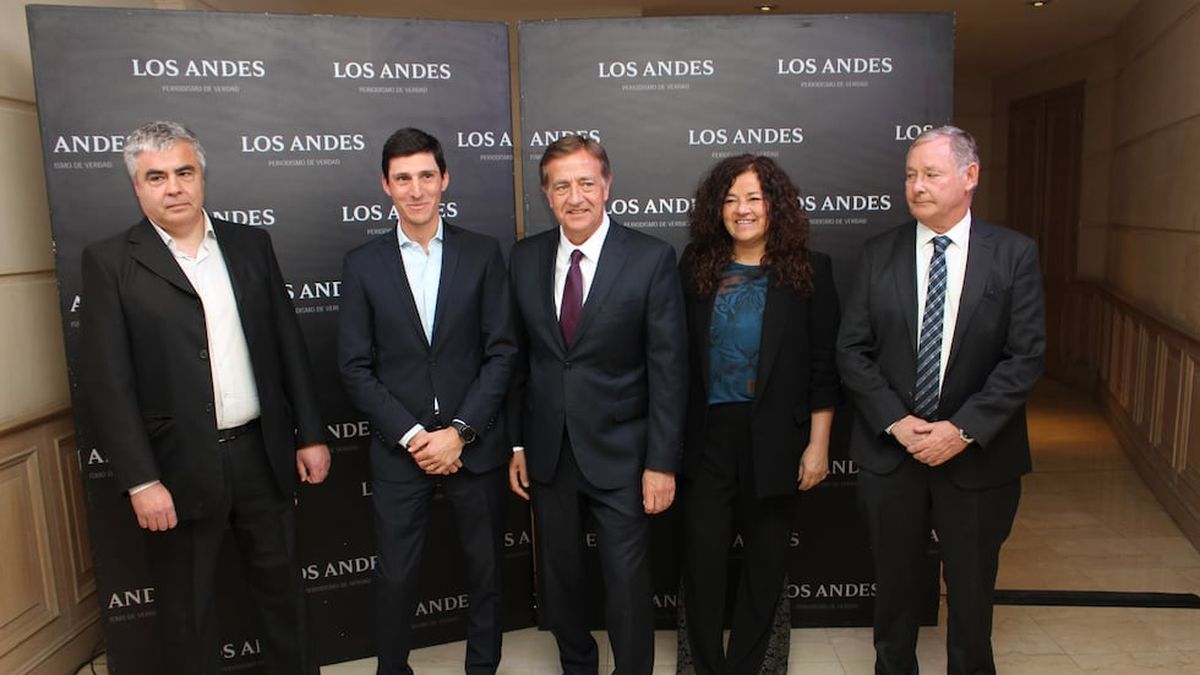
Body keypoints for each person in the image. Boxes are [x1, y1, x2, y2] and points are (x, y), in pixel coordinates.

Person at [79, 120, 331, 675]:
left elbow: (288, 344)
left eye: (184, 172)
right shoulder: (109, 262)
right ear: (137, 187)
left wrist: (310, 434)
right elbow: (107, 383)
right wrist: (142, 480)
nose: (174, 187)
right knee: (188, 613)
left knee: (284, 597)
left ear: (201, 178)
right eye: (157, 176)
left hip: (260, 457)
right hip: (176, 467)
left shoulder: (250, 244)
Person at [837, 125, 1045, 675]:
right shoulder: (878, 253)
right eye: (910, 175)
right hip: (893, 455)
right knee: (895, 587)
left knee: (973, 592)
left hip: (978, 457)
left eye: (931, 173)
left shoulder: (1014, 254)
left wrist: (962, 430)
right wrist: (896, 423)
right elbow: (851, 351)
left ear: (969, 176)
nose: (917, 186)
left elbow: (1024, 357)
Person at [506, 134, 687, 675]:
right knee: (559, 579)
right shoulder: (525, 256)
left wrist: (661, 462)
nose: (575, 196)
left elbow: (669, 370)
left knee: (627, 582)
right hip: (549, 452)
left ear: (607, 185)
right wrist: (517, 442)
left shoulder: (651, 258)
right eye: (562, 185)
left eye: (586, 182)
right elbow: (518, 360)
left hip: (624, 452)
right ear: (546, 193)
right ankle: (577, 665)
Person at [338, 127, 515, 675]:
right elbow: (354, 366)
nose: (416, 190)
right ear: (385, 186)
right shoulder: (362, 263)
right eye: (402, 178)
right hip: (402, 451)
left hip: (473, 444)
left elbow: (502, 352)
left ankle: (481, 669)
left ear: (445, 180)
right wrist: (417, 437)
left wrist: (459, 431)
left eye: (426, 176)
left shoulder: (482, 252)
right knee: (395, 575)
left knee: (486, 572)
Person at [677, 154, 840, 675]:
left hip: (777, 439)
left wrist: (818, 446)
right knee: (702, 563)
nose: (741, 210)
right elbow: (675, 360)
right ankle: (703, 666)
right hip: (707, 441)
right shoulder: (695, 266)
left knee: (766, 565)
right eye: (729, 200)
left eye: (753, 197)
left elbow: (822, 368)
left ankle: (748, 667)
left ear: (775, 204)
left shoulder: (812, 272)